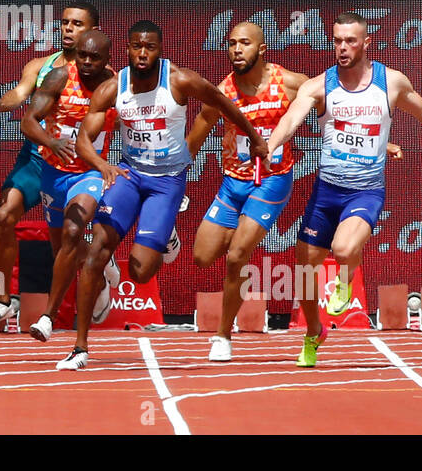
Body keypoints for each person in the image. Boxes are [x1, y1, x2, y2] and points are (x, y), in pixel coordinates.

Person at [266, 12, 422, 368]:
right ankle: (313, 332)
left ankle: (346, 277)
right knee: (304, 274)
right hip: (327, 191)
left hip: (365, 191)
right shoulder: (319, 85)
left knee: (342, 249)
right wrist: (271, 147)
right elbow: (291, 120)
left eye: (350, 41)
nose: (342, 48)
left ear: (366, 43)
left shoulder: (391, 82)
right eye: (337, 40)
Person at [57, 20, 267, 370]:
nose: (142, 54)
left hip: (167, 180)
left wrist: (254, 137)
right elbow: (82, 139)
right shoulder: (112, 88)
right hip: (128, 173)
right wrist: (101, 164)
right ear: (127, 49)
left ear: (160, 49)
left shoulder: (180, 81)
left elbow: (223, 102)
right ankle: (80, 348)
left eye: (150, 47)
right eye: (136, 47)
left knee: (140, 273)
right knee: (96, 251)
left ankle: (165, 235)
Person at [184, 22, 308, 361]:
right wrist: (174, 174)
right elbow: (198, 131)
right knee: (202, 257)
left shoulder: (290, 83)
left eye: (245, 43)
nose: (237, 49)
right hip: (233, 181)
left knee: (237, 255)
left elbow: (328, 105)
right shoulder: (222, 92)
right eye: (231, 43)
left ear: (262, 49)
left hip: (272, 179)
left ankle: (223, 335)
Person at [0, 4, 99, 333]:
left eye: (77, 23)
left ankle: (99, 270)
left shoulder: (101, 73)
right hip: (37, 159)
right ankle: (2, 301)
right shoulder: (41, 65)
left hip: (79, 165)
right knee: (4, 217)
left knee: (66, 242)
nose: (69, 29)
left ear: (92, 30)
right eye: (65, 23)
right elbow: (19, 94)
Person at [22, 29, 120, 342]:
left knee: (74, 231)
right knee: (66, 250)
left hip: (89, 172)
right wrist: (51, 140)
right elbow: (28, 120)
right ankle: (101, 278)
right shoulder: (59, 78)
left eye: (95, 57)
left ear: (107, 59)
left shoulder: (117, 85)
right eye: (82, 56)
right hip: (53, 172)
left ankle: (48, 317)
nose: (87, 62)